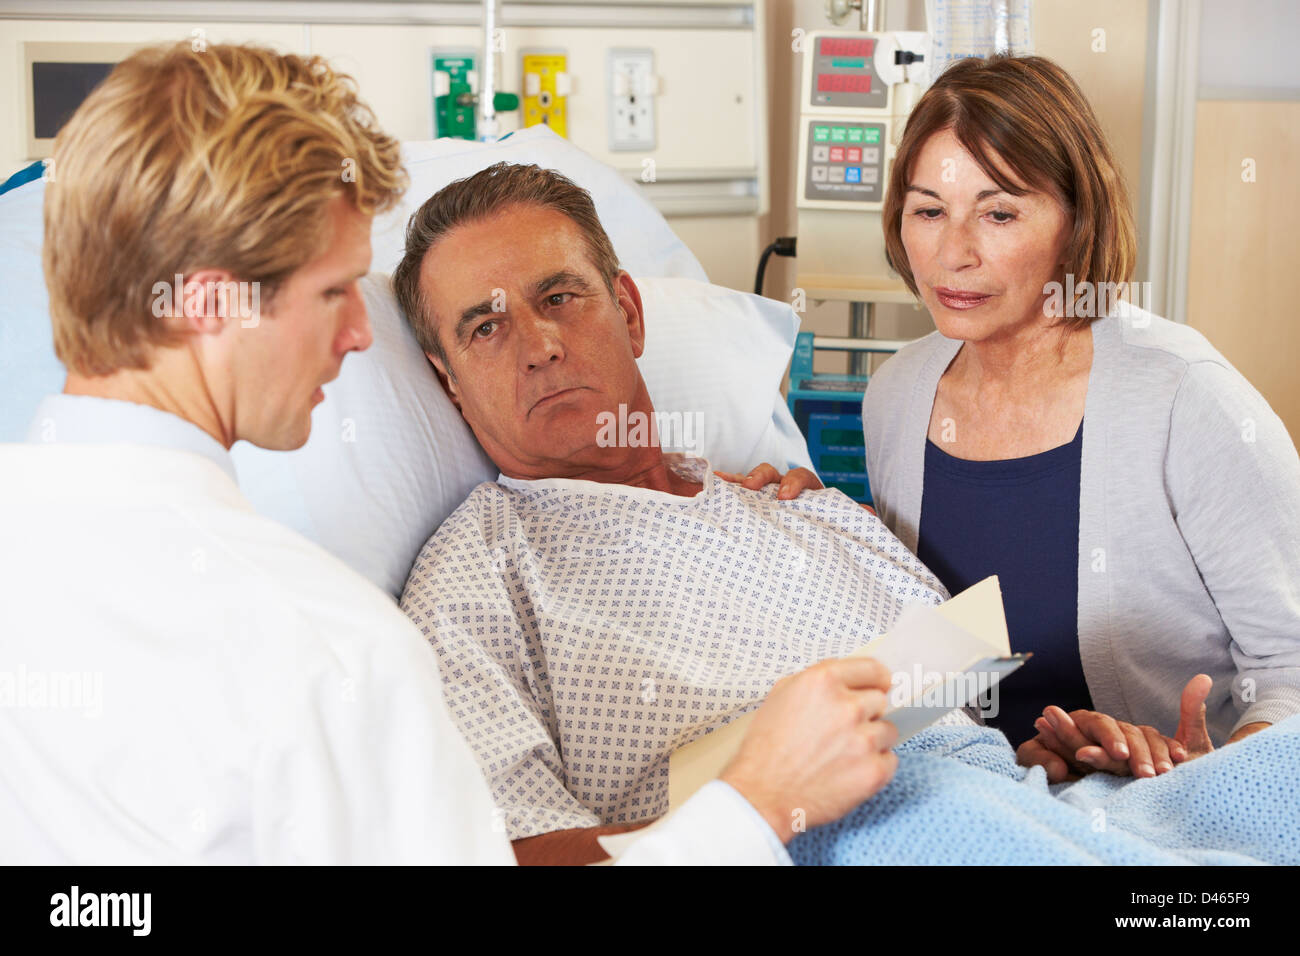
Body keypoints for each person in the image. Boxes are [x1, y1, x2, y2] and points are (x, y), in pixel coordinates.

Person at [0, 41, 896, 866]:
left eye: (560, 298)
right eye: (332, 293)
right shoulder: (333, 645)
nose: (359, 336)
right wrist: (759, 802)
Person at [389, 162, 1245, 866]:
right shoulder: (476, 581)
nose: (538, 343)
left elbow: (967, 733)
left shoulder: (803, 508)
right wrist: (758, 804)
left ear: (630, 311)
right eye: (485, 327)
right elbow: (515, 855)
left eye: (560, 297)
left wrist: (1056, 759)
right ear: (446, 380)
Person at [861, 54, 1300, 779]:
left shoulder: (1186, 400)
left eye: (999, 212)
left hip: (1169, 813)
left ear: (1076, 219)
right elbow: (931, 657)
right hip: (977, 796)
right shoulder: (896, 398)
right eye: (929, 210)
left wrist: (1213, 774)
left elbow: (1291, 661)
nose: (953, 253)